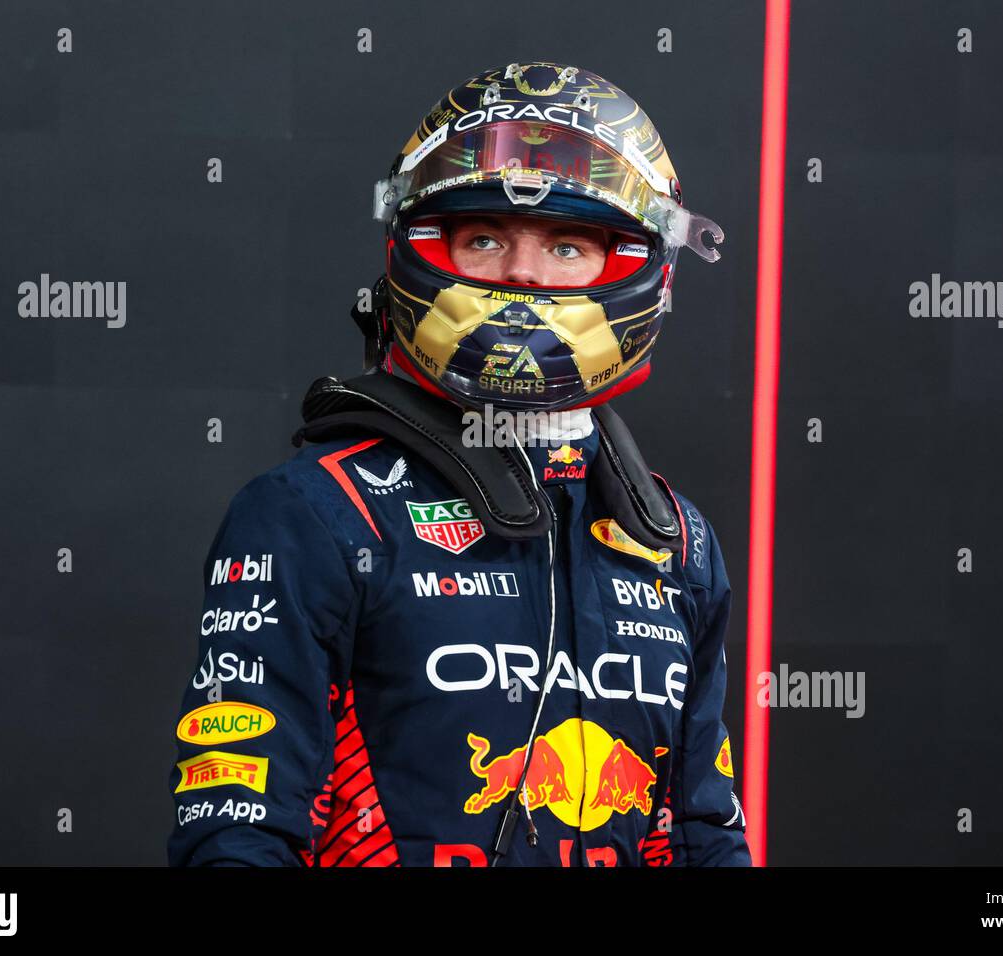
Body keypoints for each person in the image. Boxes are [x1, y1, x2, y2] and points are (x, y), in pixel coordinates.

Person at [167, 61, 750, 866]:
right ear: (412, 245)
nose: (521, 272)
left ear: (647, 265)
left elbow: (701, 835)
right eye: (483, 238)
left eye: (569, 244)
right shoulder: (314, 513)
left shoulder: (678, 544)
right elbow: (237, 831)